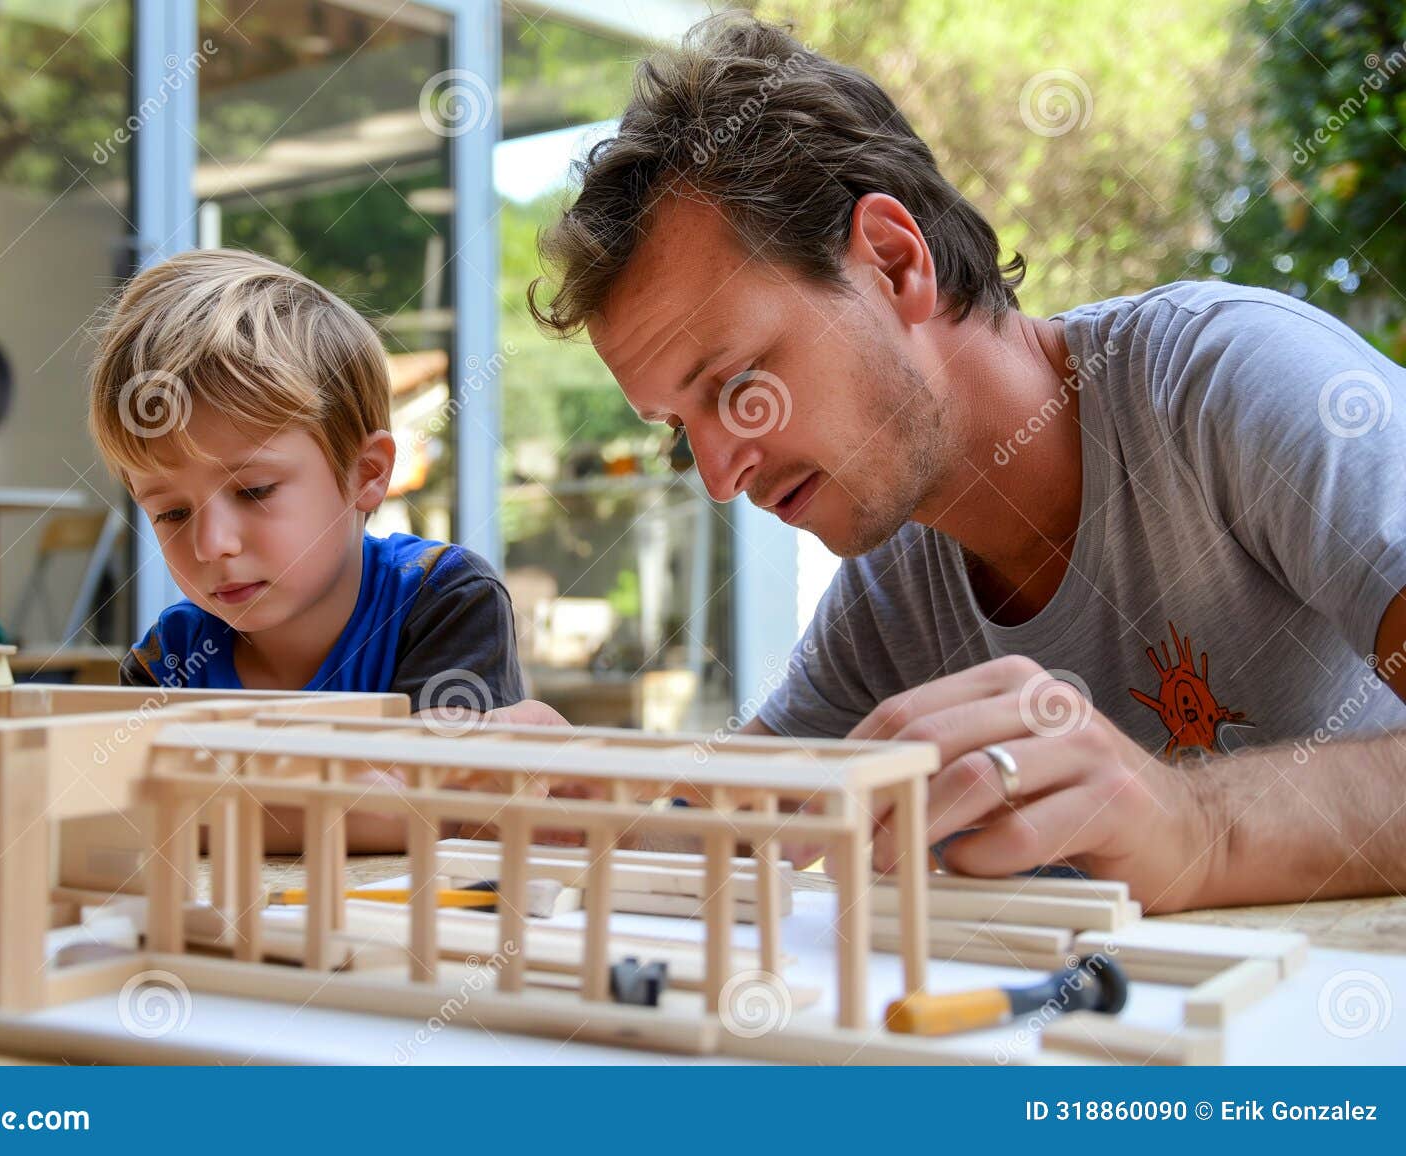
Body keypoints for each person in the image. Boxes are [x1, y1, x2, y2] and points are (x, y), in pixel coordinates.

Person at [525, 14, 1406, 911]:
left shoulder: (1232, 384)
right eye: (679, 431)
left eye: (739, 384)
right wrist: (573, 801)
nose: (718, 476)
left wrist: (1198, 827)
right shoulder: (892, 597)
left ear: (895, 262)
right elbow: (730, 823)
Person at [89, 247, 552, 850]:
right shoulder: (167, 662)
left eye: (253, 491)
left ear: (365, 474)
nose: (211, 544)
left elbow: (443, 800)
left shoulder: (446, 599)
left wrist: (200, 804)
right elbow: (123, 814)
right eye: (171, 512)